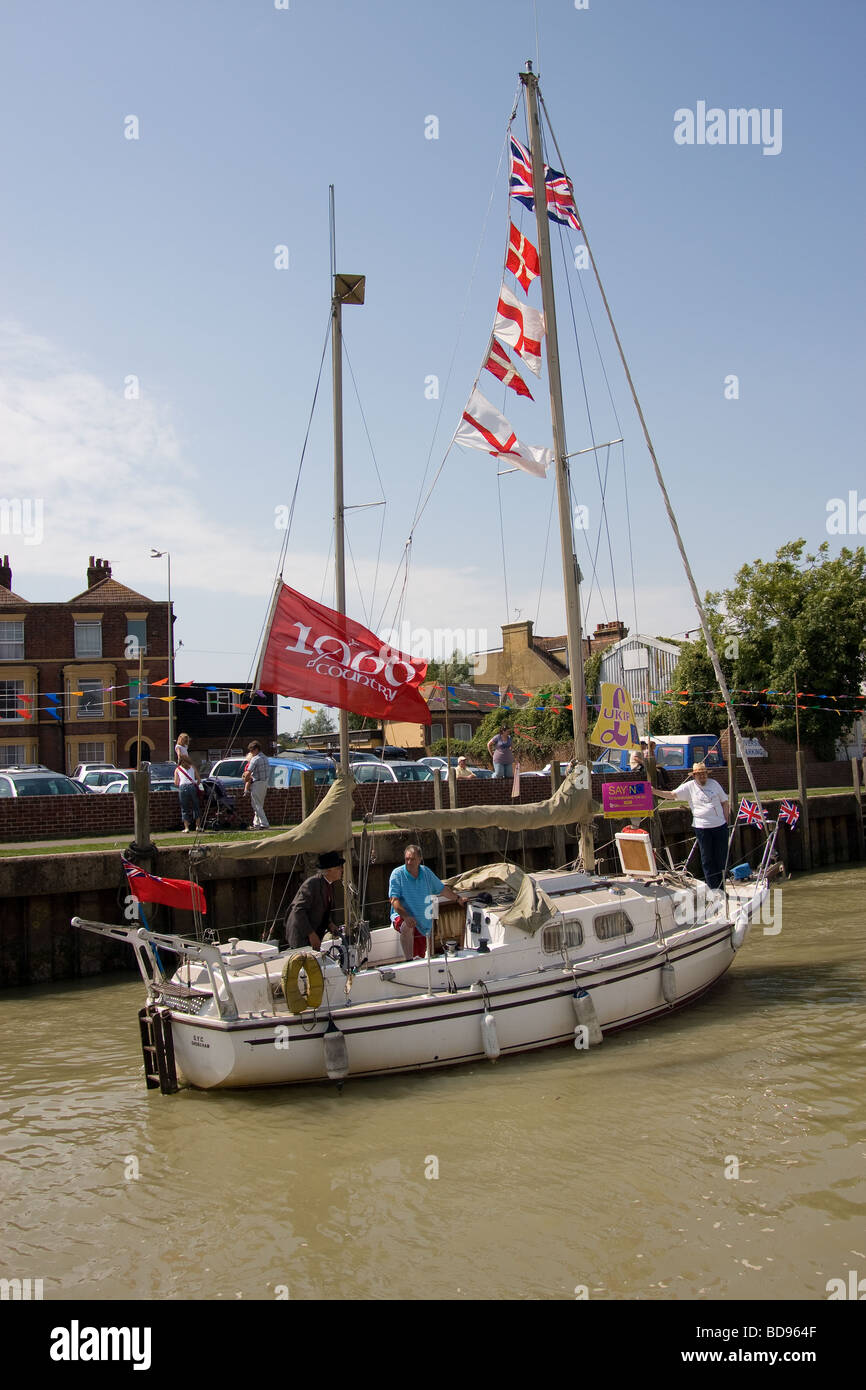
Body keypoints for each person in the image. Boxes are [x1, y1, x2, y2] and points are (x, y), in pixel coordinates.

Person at [653, 761, 730, 891]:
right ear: (694, 775)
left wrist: (726, 820)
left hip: (720, 826)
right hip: (702, 827)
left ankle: (721, 888)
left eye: (704, 773)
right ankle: (713, 889)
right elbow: (672, 794)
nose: (702, 776)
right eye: (699, 774)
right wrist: (654, 791)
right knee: (707, 859)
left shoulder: (715, 784)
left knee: (721, 858)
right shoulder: (689, 786)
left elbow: (725, 802)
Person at [388, 844, 467, 961]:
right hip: (402, 916)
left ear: (420, 859)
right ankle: (408, 961)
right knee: (407, 926)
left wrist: (458, 899)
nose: (409, 862)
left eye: (412, 859)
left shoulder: (426, 873)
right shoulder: (397, 874)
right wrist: (406, 916)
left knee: (420, 954)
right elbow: (394, 900)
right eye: (407, 859)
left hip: (423, 922)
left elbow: (442, 889)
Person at [277, 851, 345, 951]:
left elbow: (322, 908)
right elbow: (298, 910)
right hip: (301, 934)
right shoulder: (312, 884)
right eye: (338, 868)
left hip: (312, 932)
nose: (342, 870)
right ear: (329, 870)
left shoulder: (327, 885)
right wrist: (311, 934)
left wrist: (329, 924)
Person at [243, 740, 270, 830]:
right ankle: (256, 823)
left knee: (256, 805)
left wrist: (245, 779)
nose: (251, 752)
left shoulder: (255, 759)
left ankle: (264, 823)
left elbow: (248, 772)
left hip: (257, 783)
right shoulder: (265, 758)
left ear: (256, 749)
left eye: (252, 750)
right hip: (264, 783)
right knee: (259, 804)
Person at [174, 754, 201, 833]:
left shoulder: (178, 769)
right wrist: (196, 785)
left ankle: (186, 828)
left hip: (183, 787)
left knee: (184, 808)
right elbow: (199, 780)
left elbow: (176, 782)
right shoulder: (192, 767)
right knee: (196, 807)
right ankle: (198, 826)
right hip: (192, 786)